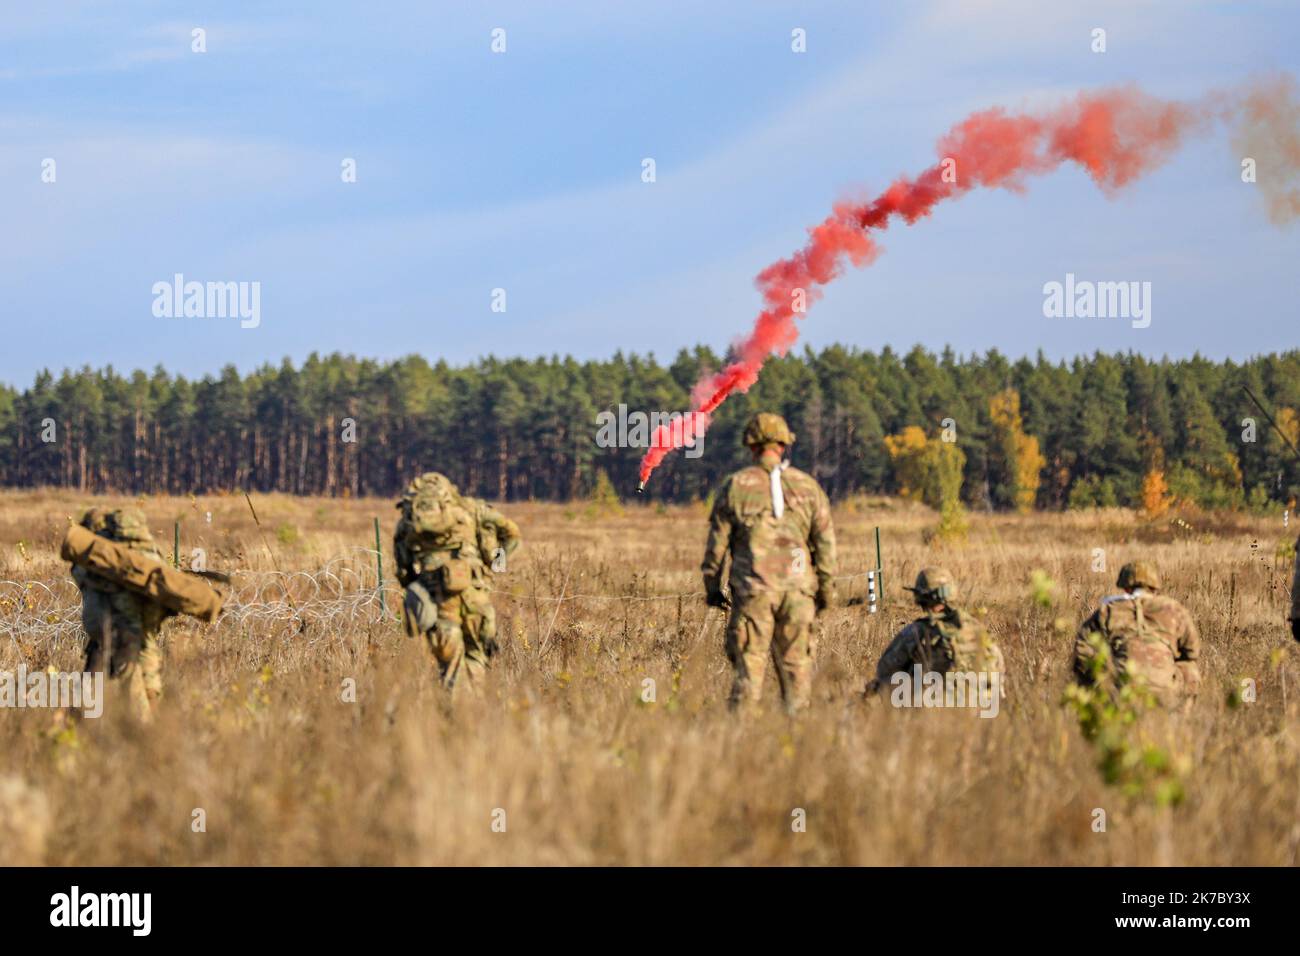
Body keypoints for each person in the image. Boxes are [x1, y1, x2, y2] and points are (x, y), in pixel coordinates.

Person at [701, 412, 836, 713]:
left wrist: (712, 588)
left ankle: (742, 741)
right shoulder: (808, 487)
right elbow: (826, 546)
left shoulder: (735, 486)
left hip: (753, 595)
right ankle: (796, 741)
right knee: (797, 673)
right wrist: (826, 593)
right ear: (784, 445)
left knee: (749, 672)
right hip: (798, 595)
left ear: (750, 446)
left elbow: (716, 547)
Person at [394, 472, 520, 694]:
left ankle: (456, 718)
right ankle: (475, 712)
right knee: (476, 656)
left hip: (439, 599)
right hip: (476, 595)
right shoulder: (473, 508)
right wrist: (495, 564)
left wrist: (416, 586)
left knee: (450, 665)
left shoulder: (409, 520)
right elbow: (512, 533)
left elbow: (403, 567)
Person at [70, 508, 173, 721]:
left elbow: (81, 578)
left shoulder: (100, 558)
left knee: (106, 678)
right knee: (148, 665)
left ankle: (88, 723)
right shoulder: (148, 554)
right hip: (143, 623)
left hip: (112, 630)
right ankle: (149, 722)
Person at [1072, 559, 1200, 708]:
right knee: (1189, 668)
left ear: (1125, 587)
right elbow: (1192, 652)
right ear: (1154, 587)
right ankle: (1181, 718)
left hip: (1118, 691)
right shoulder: (1174, 609)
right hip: (1166, 694)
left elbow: (1082, 650)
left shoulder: (1108, 610)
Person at [863, 567, 1004, 697]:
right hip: (979, 712)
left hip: (931, 714)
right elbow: (999, 670)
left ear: (920, 596)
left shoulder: (916, 632)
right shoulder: (978, 629)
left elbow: (884, 672)